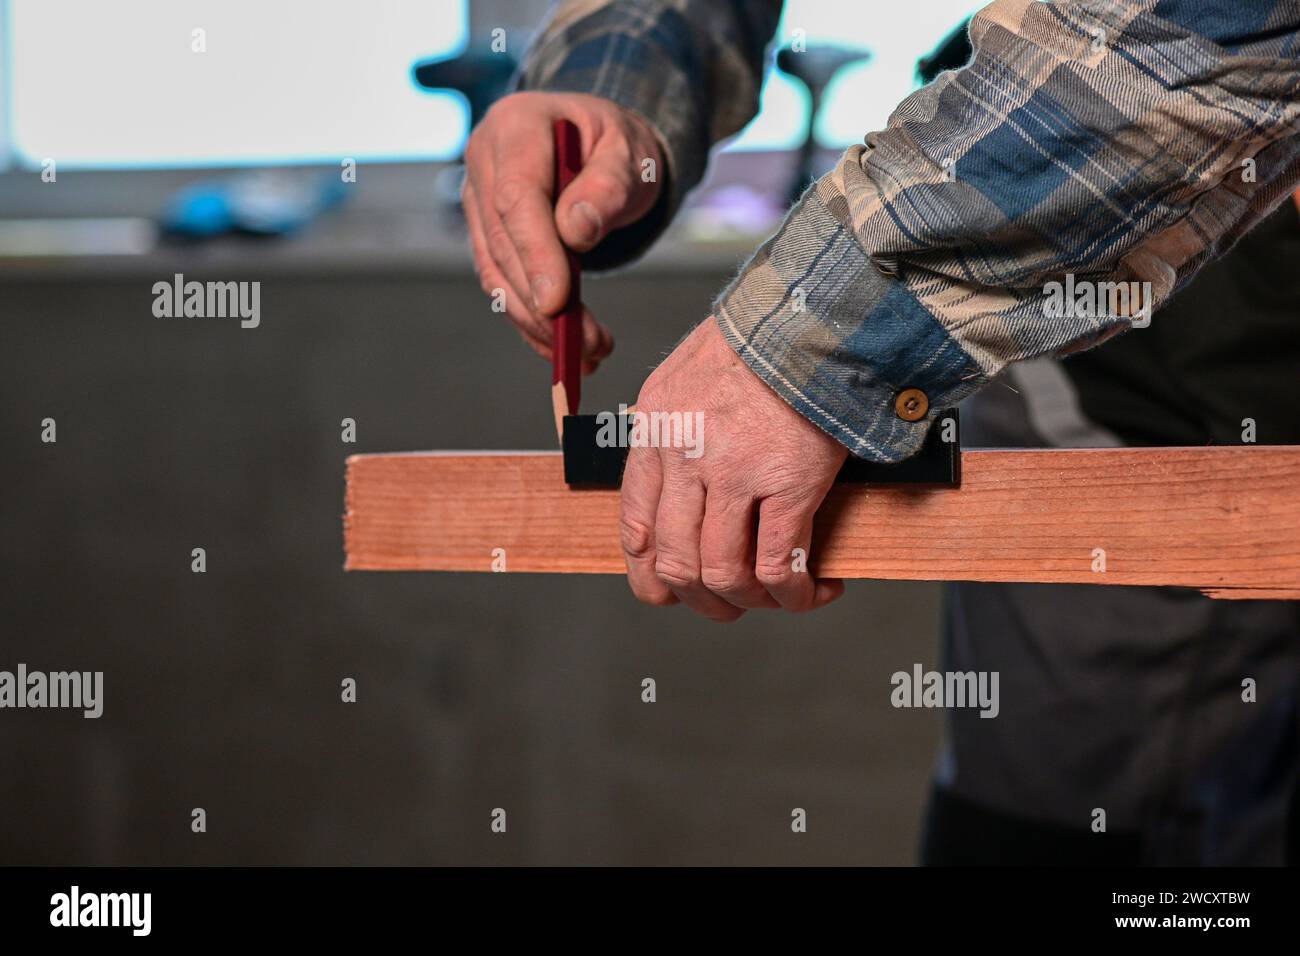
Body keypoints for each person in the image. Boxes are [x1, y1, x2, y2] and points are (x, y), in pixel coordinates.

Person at [461, 0, 1300, 863]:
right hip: (1089, 350)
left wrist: (807, 336)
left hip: (1216, 319)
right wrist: (617, 76)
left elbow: (1228, 25)